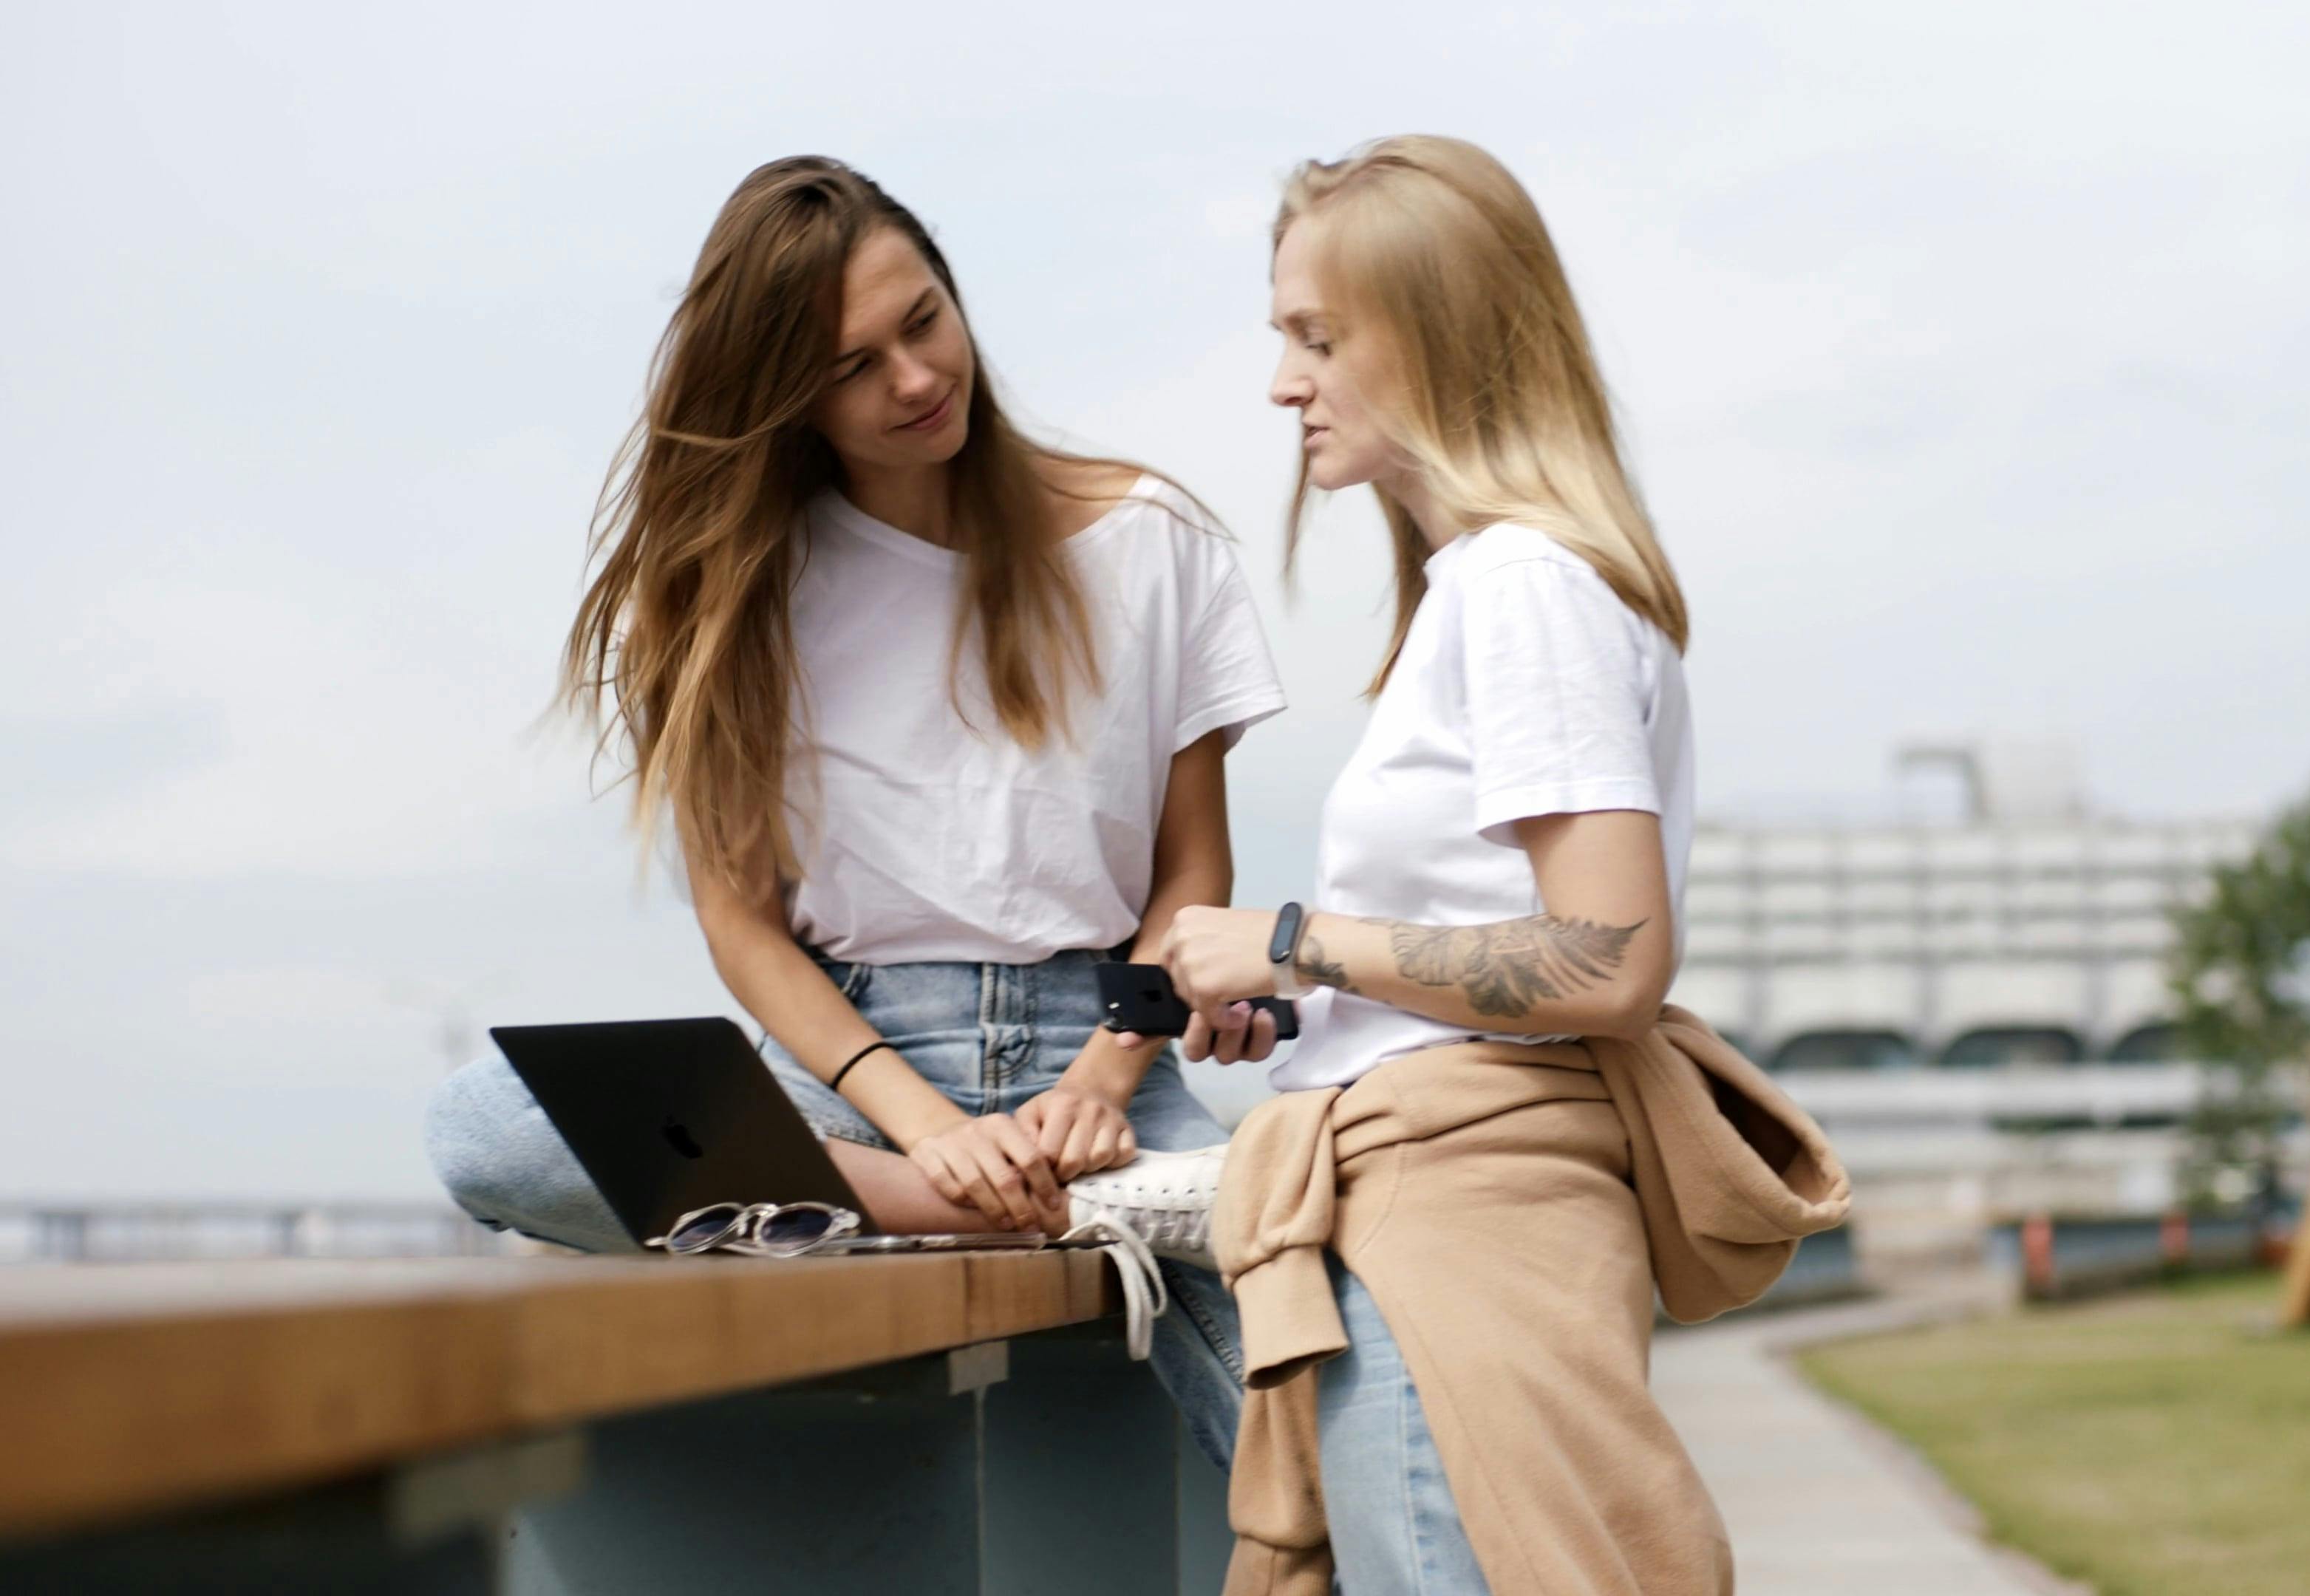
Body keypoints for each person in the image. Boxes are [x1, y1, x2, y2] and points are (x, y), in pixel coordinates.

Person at [423, 156, 1281, 1469]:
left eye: (923, 320)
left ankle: (1087, 1193)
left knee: (1321, 1448)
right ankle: (1006, 1214)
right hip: (856, 1079)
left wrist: (1103, 1084)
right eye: (849, 367)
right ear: (782, 397)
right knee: (485, 1122)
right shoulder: (731, 592)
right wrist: (933, 1140)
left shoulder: (1153, 538)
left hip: (1105, 1071)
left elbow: (1192, 876)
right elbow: (744, 926)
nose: (916, 380)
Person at [1154, 135, 1745, 1595]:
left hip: (1461, 1231)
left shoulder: (1524, 589)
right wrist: (1312, 1016)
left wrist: (1293, 941)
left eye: (1317, 338)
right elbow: (1491, 951)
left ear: (1437, 337)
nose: (1284, 383)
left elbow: (1609, 958)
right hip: (1458, 1206)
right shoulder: (1506, 589)